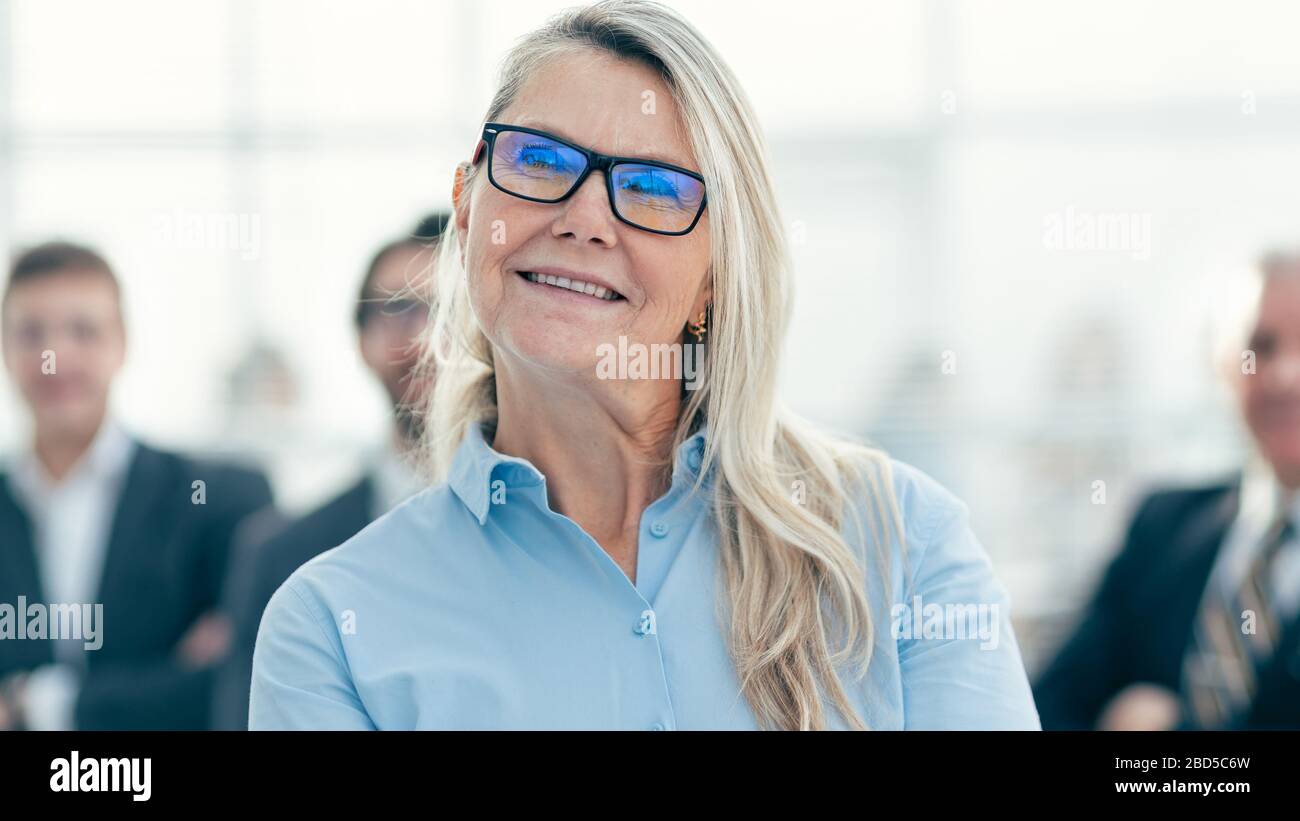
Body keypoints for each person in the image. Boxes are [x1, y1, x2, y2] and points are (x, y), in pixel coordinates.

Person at [250, 0, 1039, 731]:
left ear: (717, 272)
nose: (583, 217)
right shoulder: (331, 627)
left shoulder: (904, 544)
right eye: (538, 159)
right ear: (467, 203)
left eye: (655, 187)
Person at [0, 241, 272, 730]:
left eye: (83, 331)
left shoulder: (213, 506)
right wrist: (160, 679)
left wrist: (30, 706)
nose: (55, 356)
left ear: (121, 343)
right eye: (32, 333)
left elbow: (226, 684)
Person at [1035, 248, 1300, 730]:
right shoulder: (1163, 525)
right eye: (1260, 347)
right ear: (1221, 366)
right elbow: (1049, 704)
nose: (1287, 375)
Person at [212, 214, 447, 729]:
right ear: (361, 342)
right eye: (399, 309)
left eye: (450, 308)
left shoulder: (565, 521)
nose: (427, 335)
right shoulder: (278, 557)